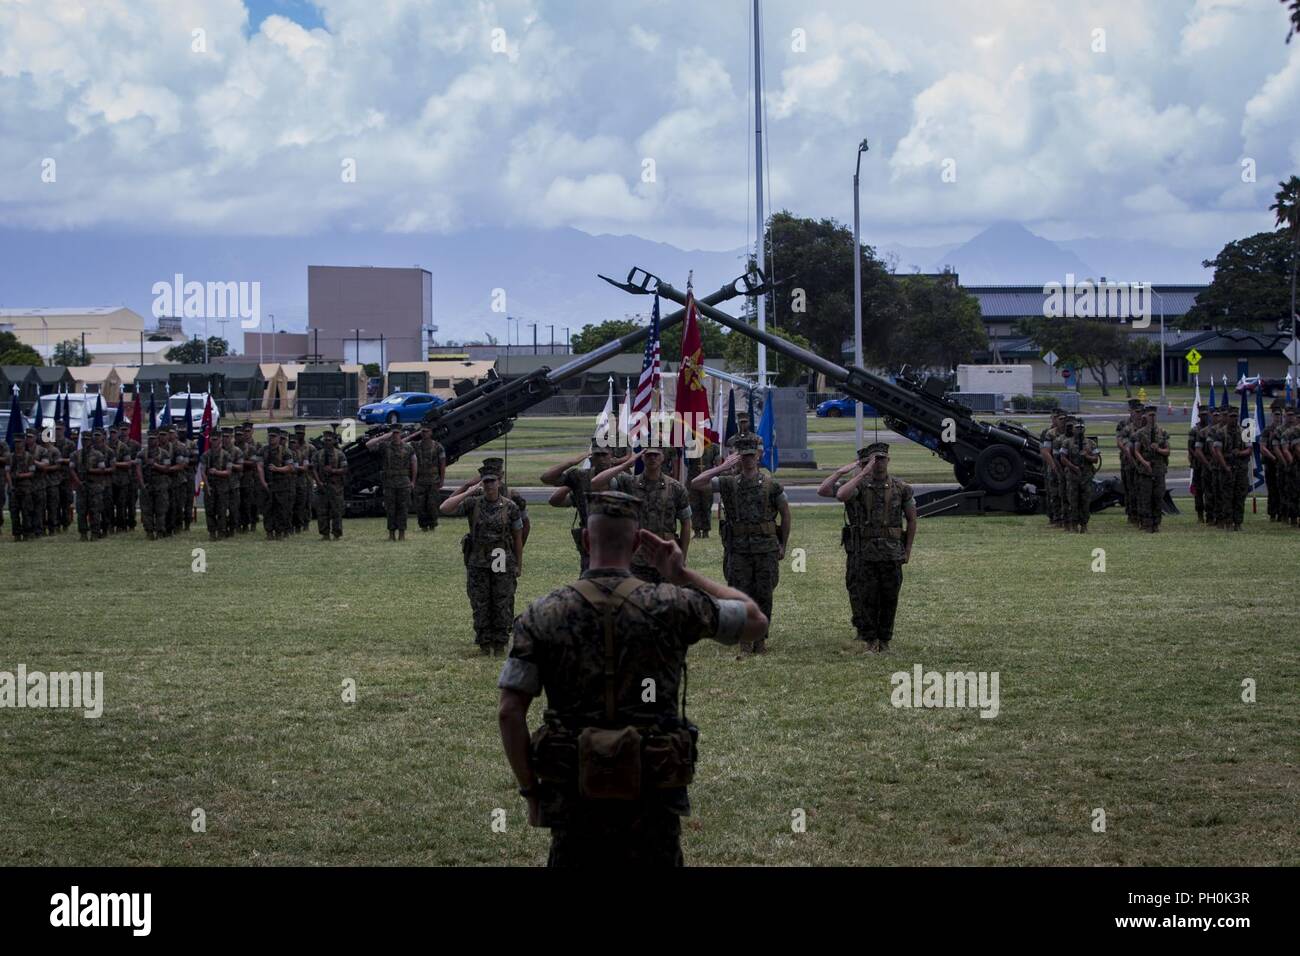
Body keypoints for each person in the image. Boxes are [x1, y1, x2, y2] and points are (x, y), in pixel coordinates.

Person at [497, 491, 767, 867]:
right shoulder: (672, 604)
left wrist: (531, 793)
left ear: (587, 540)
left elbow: (510, 712)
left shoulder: (542, 614)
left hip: (574, 797)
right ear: (639, 542)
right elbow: (755, 621)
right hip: (651, 795)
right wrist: (683, 574)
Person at [689, 433, 790, 654]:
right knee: (739, 595)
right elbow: (697, 483)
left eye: (751, 456)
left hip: (765, 548)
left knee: (764, 594)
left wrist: (783, 545)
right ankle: (744, 641)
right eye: (743, 456)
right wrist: (722, 467)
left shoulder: (771, 485)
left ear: (758, 456)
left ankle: (760, 640)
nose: (747, 460)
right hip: (738, 550)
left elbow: (785, 513)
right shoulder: (728, 483)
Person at [832, 443, 917, 651]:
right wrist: (862, 474)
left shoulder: (901, 488)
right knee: (867, 597)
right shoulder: (860, 486)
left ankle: (885, 640)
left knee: (890, 598)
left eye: (882, 459)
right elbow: (841, 494)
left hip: (891, 553)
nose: (879, 463)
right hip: (866, 553)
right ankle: (870, 640)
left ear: (888, 460)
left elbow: (912, 520)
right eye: (874, 459)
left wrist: (907, 550)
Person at [441, 461, 525, 655]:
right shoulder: (474, 503)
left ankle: (500, 643)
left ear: (499, 482)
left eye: (492, 481)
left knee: (502, 600)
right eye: (485, 481)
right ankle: (484, 643)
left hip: (501, 558)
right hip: (478, 560)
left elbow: (518, 537)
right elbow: (445, 507)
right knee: (480, 602)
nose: (489, 485)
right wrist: (470, 490)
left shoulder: (510, 506)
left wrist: (519, 565)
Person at [591, 446, 691, 583]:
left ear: (663, 458)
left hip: (666, 556)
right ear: (642, 458)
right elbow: (596, 483)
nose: (652, 458)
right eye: (648, 455)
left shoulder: (676, 488)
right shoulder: (629, 483)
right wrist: (625, 464)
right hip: (636, 559)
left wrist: (682, 557)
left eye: (656, 455)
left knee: (666, 601)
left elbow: (686, 522)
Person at [540, 441, 620, 572]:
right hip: (590, 539)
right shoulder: (581, 477)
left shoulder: (622, 478)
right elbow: (546, 478)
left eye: (604, 454)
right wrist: (572, 462)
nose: (601, 458)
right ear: (591, 457)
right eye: (597, 455)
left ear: (611, 456)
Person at [367, 424, 416, 541]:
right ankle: (391, 533)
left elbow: (414, 464)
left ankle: (402, 533)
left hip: (404, 482)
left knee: (403, 508)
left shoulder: (408, 448)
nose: (395, 435)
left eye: (397, 433)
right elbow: (368, 445)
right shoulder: (385, 447)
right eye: (393, 433)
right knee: (390, 509)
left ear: (401, 433)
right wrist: (383, 437)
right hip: (389, 483)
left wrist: (413, 481)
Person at [1131, 405, 1170, 532]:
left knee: (1158, 496)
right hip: (1145, 470)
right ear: (1146, 416)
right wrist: (1144, 462)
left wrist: (1158, 449)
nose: (1152, 417)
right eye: (1150, 415)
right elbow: (1136, 451)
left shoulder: (1162, 432)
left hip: (1159, 469)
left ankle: (1156, 522)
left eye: (1154, 415)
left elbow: (1167, 451)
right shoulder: (1140, 433)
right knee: (1145, 497)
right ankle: (1146, 523)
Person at [1059, 417, 1099, 533]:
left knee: (1085, 501)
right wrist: (1073, 467)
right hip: (1072, 476)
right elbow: (1062, 458)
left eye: (1081, 428)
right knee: (1073, 501)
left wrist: (1087, 456)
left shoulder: (1091, 443)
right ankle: (1074, 524)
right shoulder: (1067, 442)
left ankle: (1084, 524)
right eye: (1077, 428)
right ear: (1073, 429)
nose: (1079, 430)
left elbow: (1096, 459)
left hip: (1086, 476)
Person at [410, 423, 446, 532]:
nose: (424, 433)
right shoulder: (415, 446)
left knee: (432, 504)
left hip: (433, 480)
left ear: (431, 432)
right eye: (422, 431)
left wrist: (442, 480)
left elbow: (442, 464)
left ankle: (433, 525)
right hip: (420, 481)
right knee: (420, 505)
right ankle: (423, 526)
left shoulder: (438, 447)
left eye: (426, 431)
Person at [313, 427, 348, 539]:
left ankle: (336, 534)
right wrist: (318, 482)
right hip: (322, 487)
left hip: (336, 487)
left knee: (336, 511)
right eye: (325, 440)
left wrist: (333, 471)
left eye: (329, 440)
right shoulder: (318, 454)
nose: (327, 442)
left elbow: (344, 469)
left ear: (334, 441)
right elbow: (313, 469)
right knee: (322, 512)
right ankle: (325, 534)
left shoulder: (340, 454)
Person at [262, 427, 295, 540]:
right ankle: (269, 532)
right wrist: (263, 482)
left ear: (279, 438)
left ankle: (280, 532)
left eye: (274, 436)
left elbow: (290, 467)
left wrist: (277, 469)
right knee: (268, 509)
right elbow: (259, 466)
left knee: (281, 509)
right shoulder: (264, 450)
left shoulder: (285, 451)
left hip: (282, 485)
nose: (271, 439)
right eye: (270, 436)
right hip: (268, 484)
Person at [202, 428, 234, 540]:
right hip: (210, 486)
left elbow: (228, 472)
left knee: (221, 510)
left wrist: (217, 472)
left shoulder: (226, 455)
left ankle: (221, 531)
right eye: (212, 439)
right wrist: (207, 485)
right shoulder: (206, 455)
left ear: (220, 439)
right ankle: (212, 532)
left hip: (222, 487)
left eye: (216, 439)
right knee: (210, 511)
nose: (214, 441)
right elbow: (203, 471)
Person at [685, 434, 720, 539]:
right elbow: (687, 462)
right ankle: (696, 530)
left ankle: (705, 531)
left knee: (706, 505)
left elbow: (717, 462)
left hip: (707, 480)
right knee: (694, 505)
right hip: (693, 478)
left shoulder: (713, 447)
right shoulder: (690, 445)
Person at [1189, 406, 1213, 523]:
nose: (1204, 417)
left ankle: (1210, 513)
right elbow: (1191, 448)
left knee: (1210, 489)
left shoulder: (1211, 430)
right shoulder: (1195, 430)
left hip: (1209, 463)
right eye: (1202, 415)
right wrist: (1198, 457)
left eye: (1206, 414)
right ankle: (1199, 514)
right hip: (1198, 464)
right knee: (1198, 490)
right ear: (1199, 416)